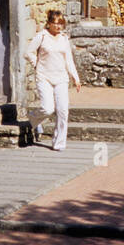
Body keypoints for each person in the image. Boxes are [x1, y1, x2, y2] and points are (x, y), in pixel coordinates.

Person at [24, 9, 81, 151]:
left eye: (60, 23)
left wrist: (75, 77)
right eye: (55, 23)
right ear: (49, 23)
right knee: (47, 108)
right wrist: (36, 64)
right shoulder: (41, 36)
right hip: (44, 76)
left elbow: (69, 60)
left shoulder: (64, 38)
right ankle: (32, 120)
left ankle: (59, 143)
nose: (58, 26)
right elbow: (28, 52)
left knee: (63, 111)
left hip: (61, 77)